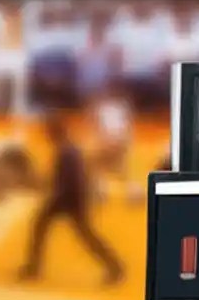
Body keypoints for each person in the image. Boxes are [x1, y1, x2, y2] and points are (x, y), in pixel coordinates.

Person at [17, 113, 124, 286]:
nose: (47, 136)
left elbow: (67, 181)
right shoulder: (67, 148)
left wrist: (51, 193)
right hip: (70, 198)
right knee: (48, 226)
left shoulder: (66, 151)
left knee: (76, 233)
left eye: (48, 132)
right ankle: (115, 267)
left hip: (69, 199)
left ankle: (115, 267)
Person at [87, 79, 141, 203]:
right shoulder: (122, 106)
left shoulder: (102, 107)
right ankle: (133, 193)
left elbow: (97, 128)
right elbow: (128, 128)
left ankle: (100, 193)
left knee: (97, 167)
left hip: (108, 141)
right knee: (122, 171)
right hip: (121, 142)